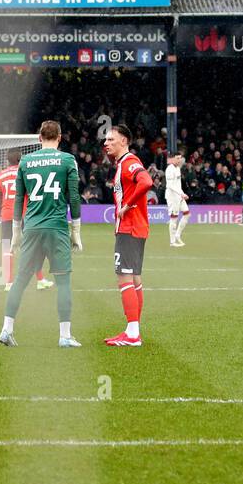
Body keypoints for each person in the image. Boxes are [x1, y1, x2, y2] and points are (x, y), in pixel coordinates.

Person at [0, 121, 83, 348]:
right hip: (56, 227)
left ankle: (7, 329)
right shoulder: (67, 160)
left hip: (32, 227)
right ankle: (64, 335)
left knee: (20, 281)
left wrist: (16, 231)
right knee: (63, 281)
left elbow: (18, 198)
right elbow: (73, 197)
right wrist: (76, 230)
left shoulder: (26, 161)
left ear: (38, 138)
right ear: (60, 137)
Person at [103, 124, 153, 346]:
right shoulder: (124, 164)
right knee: (134, 278)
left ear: (123, 141)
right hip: (136, 227)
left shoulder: (129, 163)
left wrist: (127, 205)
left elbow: (147, 182)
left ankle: (133, 334)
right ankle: (133, 330)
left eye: (111, 139)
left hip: (129, 227)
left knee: (124, 278)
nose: (106, 143)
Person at [0, 146, 46, 291]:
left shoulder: (1, 174)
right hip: (24, 215)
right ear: (19, 158)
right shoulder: (26, 172)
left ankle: (8, 283)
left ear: (7, 159)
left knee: (7, 248)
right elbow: (32, 193)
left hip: (6, 215)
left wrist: (1, 211)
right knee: (33, 247)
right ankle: (40, 280)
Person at [166, 152, 190, 247]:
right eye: (177, 158)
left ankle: (177, 235)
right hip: (172, 197)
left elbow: (177, 184)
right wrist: (181, 193)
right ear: (172, 159)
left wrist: (181, 194)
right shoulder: (169, 169)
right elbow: (170, 185)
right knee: (174, 218)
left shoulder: (178, 168)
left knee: (187, 214)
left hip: (179, 196)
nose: (179, 160)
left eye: (180, 158)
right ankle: (172, 242)